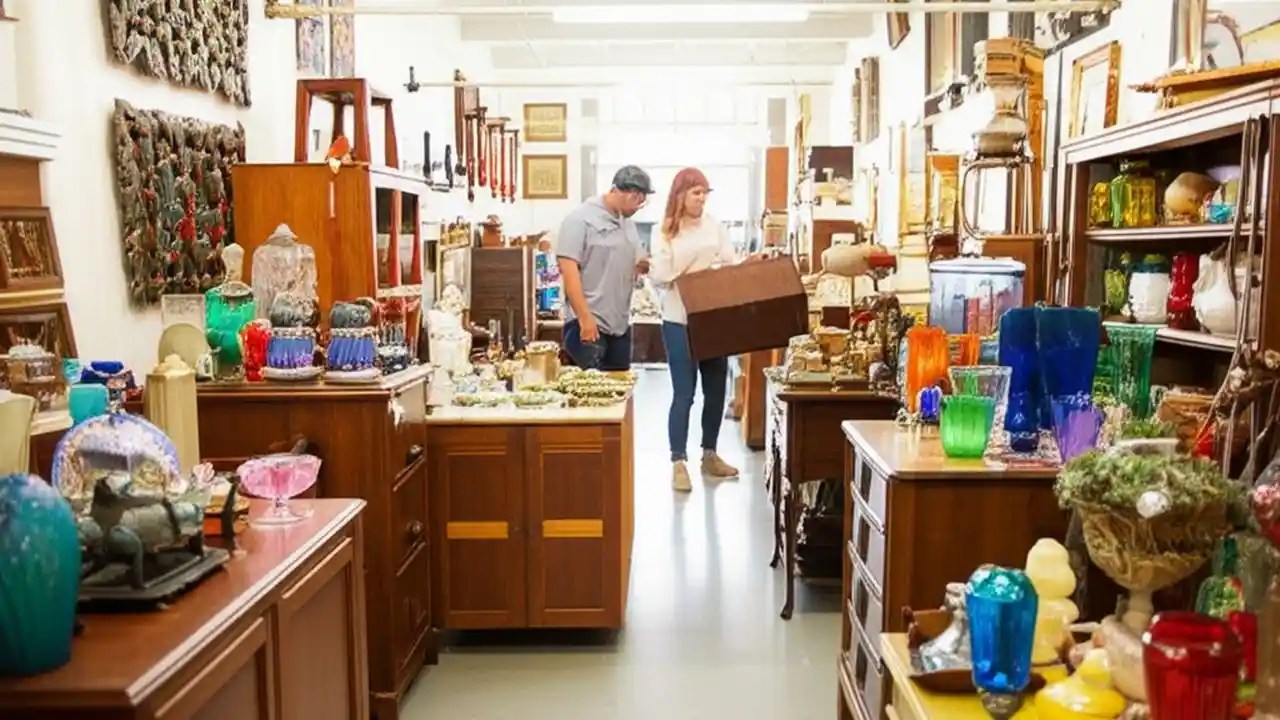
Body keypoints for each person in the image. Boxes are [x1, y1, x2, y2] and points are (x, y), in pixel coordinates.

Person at [648, 167, 741, 492]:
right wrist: (688, 267)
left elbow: (729, 263)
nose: (701, 199)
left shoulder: (715, 227)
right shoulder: (665, 231)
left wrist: (695, 269)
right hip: (678, 320)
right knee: (684, 395)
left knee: (716, 392)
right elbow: (659, 275)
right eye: (695, 193)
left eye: (705, 193)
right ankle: (678, 462)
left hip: (712, 318)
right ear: (680, 196)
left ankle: (710, 454)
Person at [555, 165, 654, 370]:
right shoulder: (579, 220)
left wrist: (641, 266)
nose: (638, 206)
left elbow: (629, 264)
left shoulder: (627, 224)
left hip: (619, 326)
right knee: (591, 396)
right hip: (589, 325)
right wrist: (585, 319)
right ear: (618, 191)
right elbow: (569, 273)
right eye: (637, 198)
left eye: (642, 200)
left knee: (620, 391)